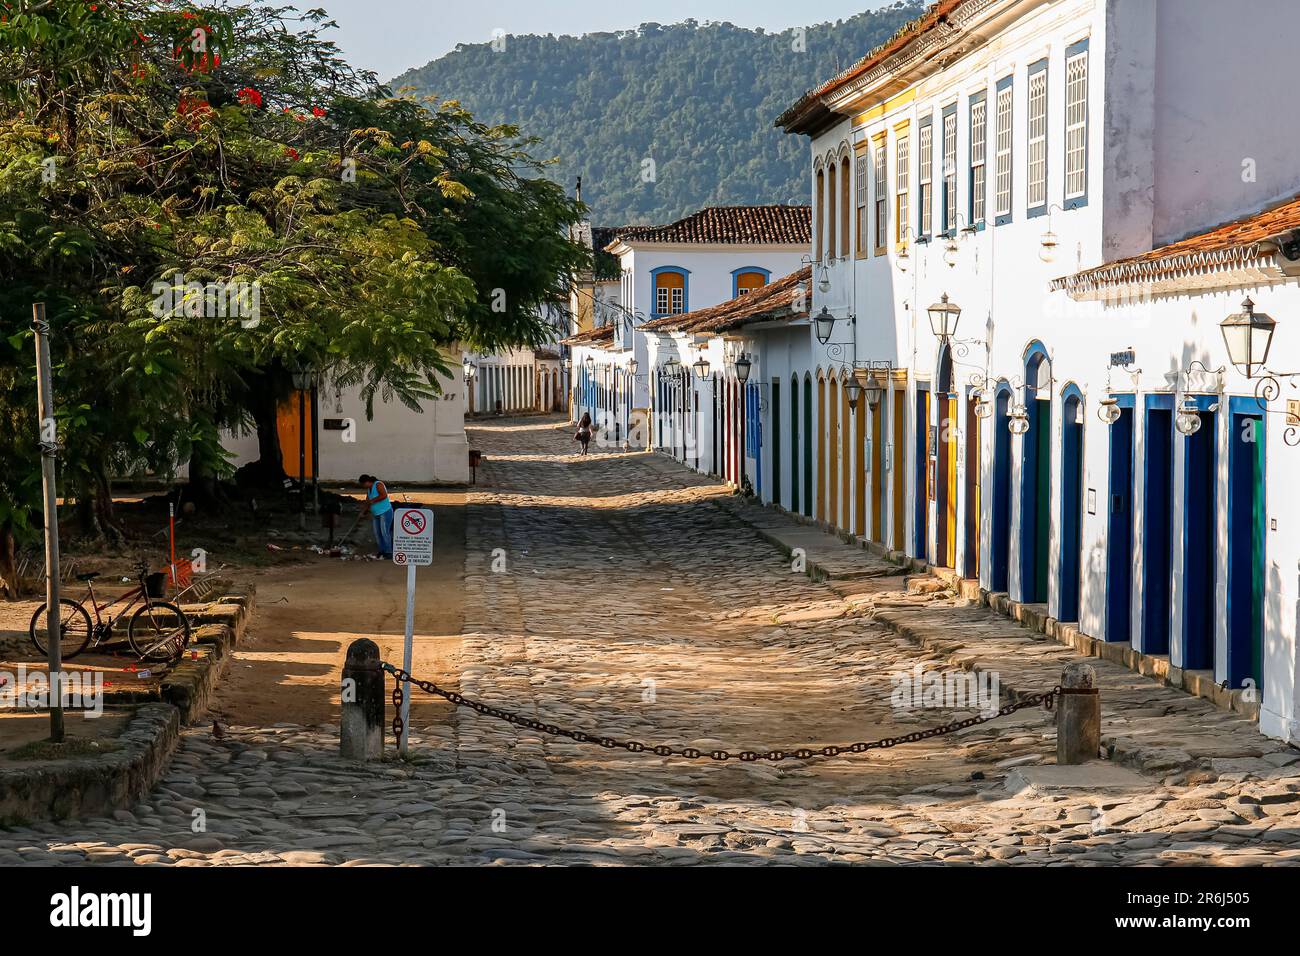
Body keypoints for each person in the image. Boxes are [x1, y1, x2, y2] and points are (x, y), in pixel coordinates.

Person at [358, 474, 395, 559]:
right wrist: (363, 512)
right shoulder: (369, 489)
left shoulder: (378, 484)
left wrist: (373, 500)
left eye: (363, 484)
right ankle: (382, 550)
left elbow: (384, 495)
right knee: (377, 533)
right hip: (376, 513)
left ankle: (388, 551)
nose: (364, 486)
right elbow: (367, 502)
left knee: (384, 532)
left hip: (385, 511)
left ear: (367, 482)